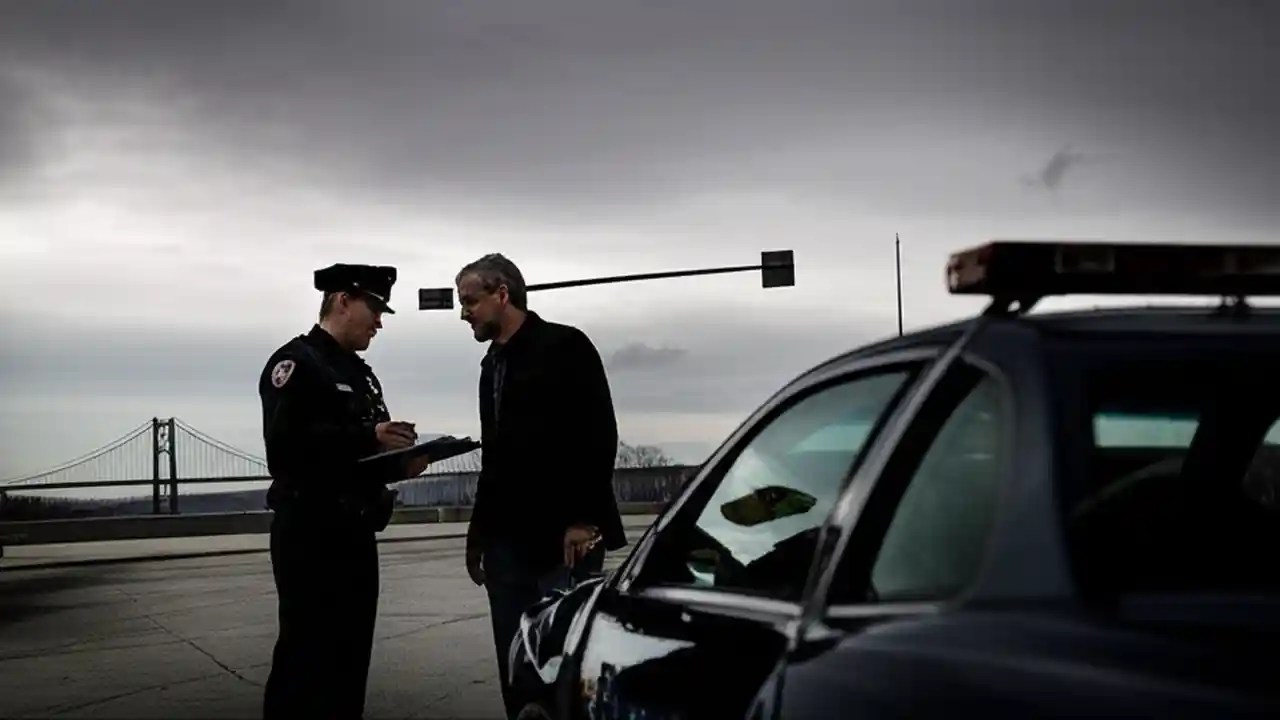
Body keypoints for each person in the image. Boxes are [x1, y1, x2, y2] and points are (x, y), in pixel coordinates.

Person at [454, 253, 627, 718]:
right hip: (506, 543)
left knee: (566, 666)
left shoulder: (565, 346)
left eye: (469, 300)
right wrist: (478, 535)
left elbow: (598, 434)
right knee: (517, 670)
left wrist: (584, 518)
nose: (463, 312)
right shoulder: (491, 365)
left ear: (502, 294)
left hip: (562, 541)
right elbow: (495, 457)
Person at [259, 263, 431, 720]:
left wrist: (401, 461)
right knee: (305, 661)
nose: (379, 322)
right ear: (342, 301)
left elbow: (360, 457)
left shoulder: (359, 373)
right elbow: (287, 451)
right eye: (374, 309)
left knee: (349, 662)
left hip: (355, 533)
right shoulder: (295, 365)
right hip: (310, 536)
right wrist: (371, 436)